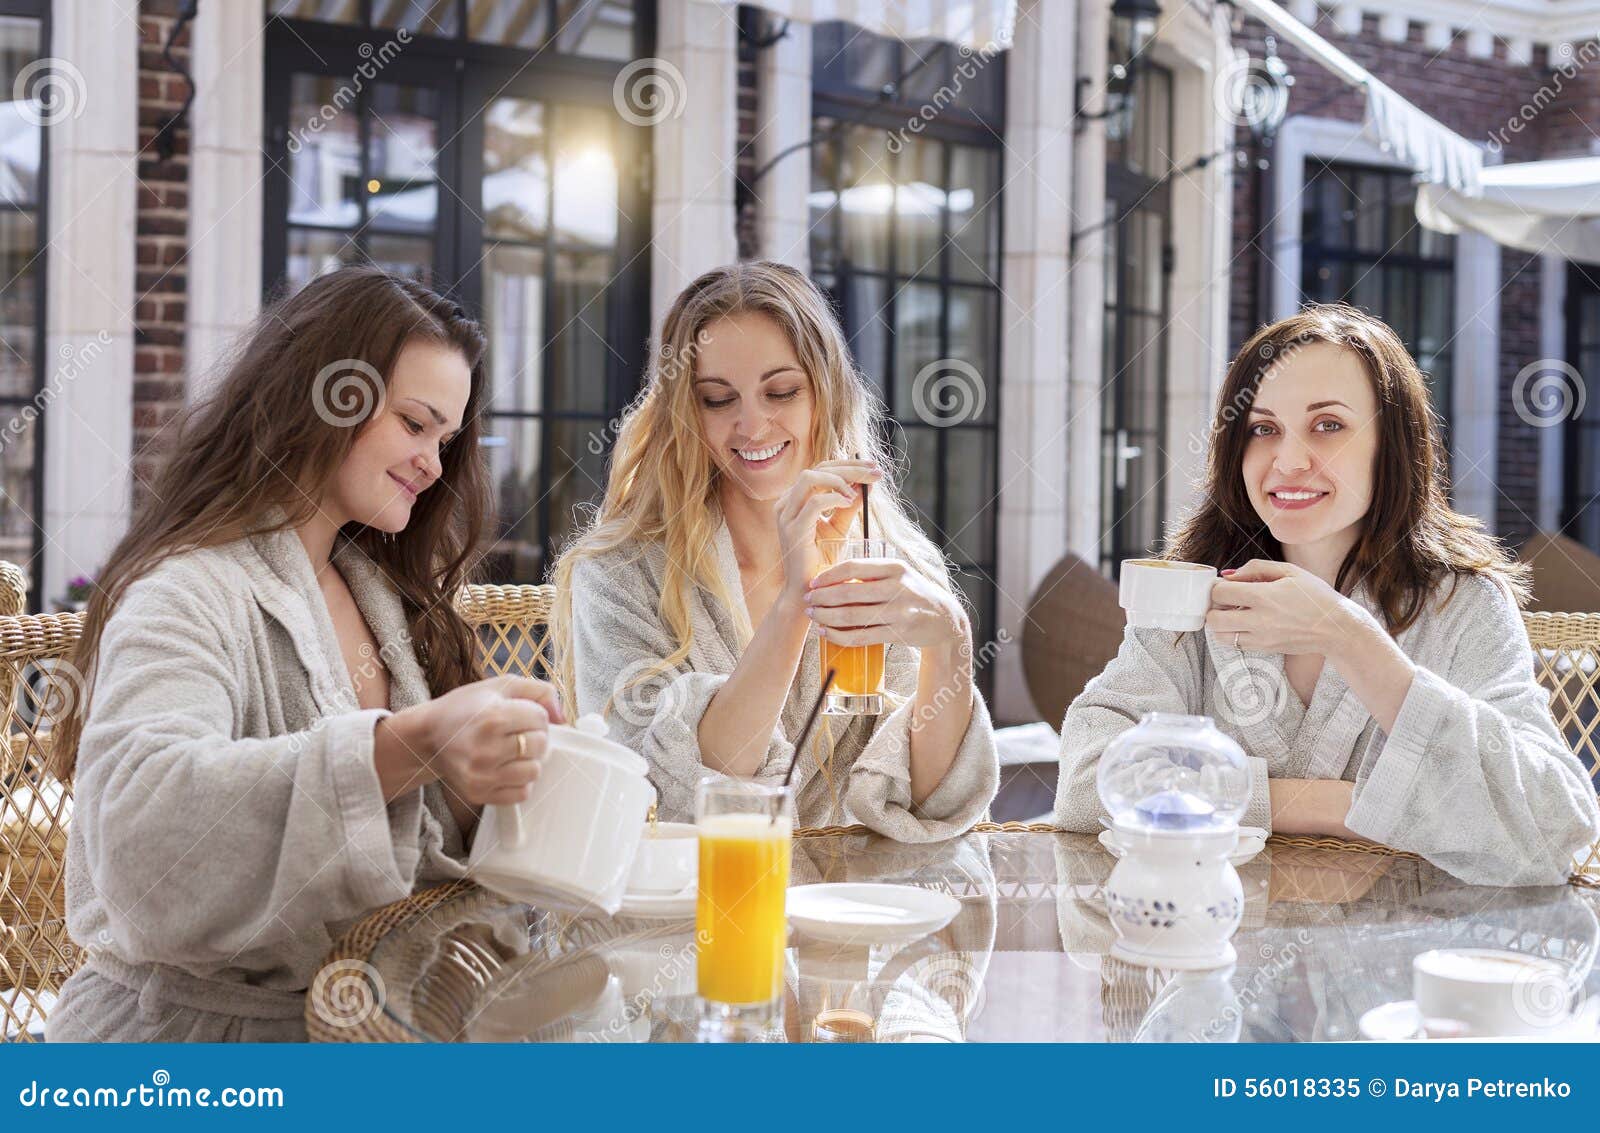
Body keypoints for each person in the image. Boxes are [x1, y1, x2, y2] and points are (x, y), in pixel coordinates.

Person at [47, 267, 563, 1041]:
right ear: (330, 398)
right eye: (415, 424)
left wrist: (515, 776)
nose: (433, 462)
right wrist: (411, 743)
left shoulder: (384, 597)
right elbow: (140, 841)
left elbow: (422, 852)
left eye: (447, 439)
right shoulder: (187, 591)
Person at [1055, 303, 1599, 886]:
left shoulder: (1462, 607)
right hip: (1218, 948)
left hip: (1404, 962)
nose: (1288, 462)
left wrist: (1348, 636)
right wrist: (1330, 807)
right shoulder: (1191, 593)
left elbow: (1552, 832)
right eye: (1262, 429)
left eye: (1328, 425)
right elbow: (1087, 786)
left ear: (1391, 445)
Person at [553, 261, 998, 839]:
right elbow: (677, 798)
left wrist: (951, 641)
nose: (752, 425)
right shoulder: (619, 576)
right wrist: (794, 604)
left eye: (781, 391)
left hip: (853, 911)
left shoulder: (891, 564)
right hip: (687, 910)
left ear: (826, 393)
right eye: (717, 399)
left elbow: (930, 804)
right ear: (685, 413)